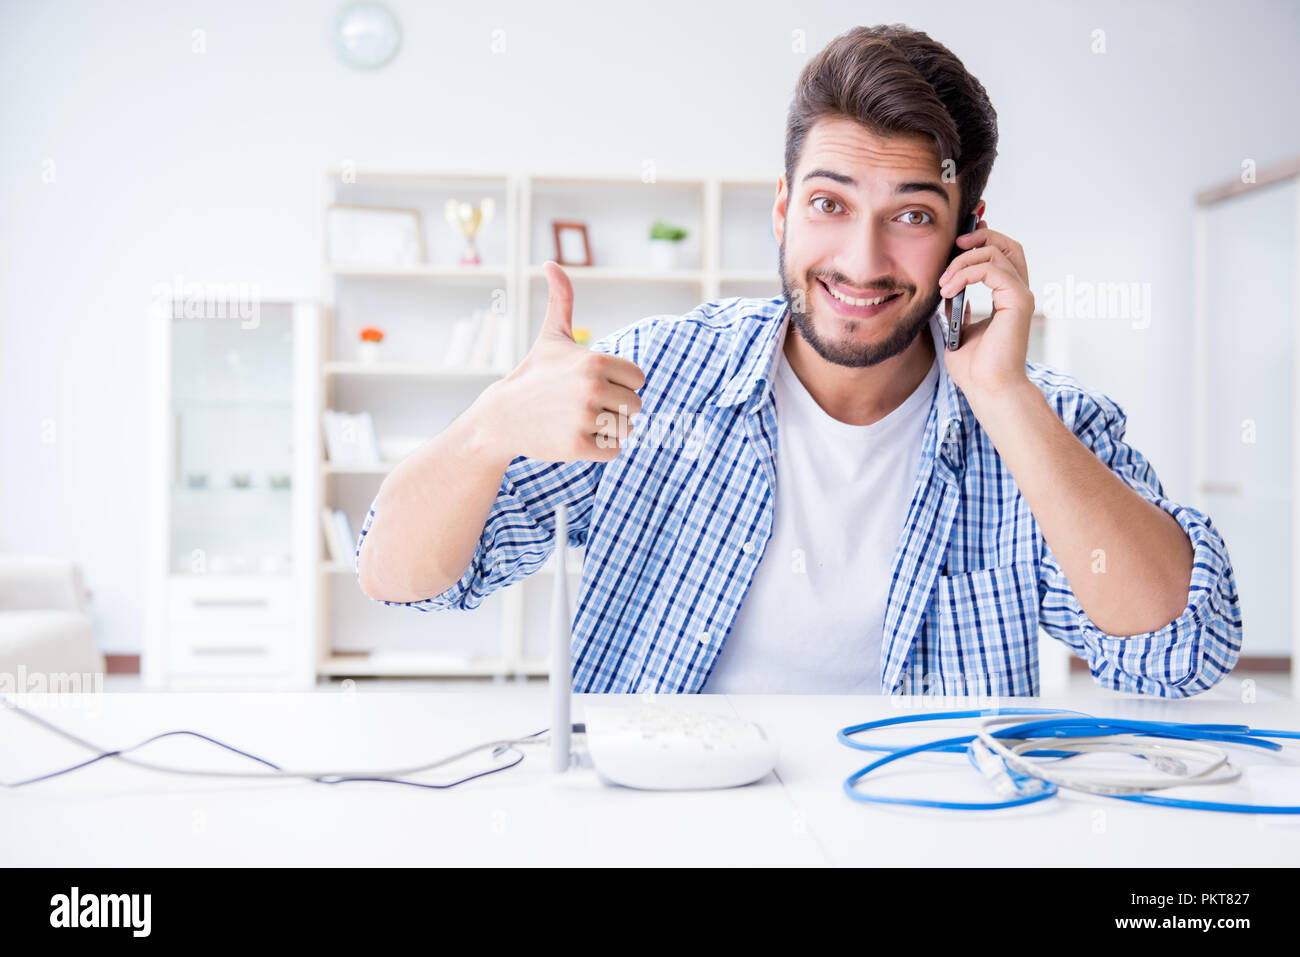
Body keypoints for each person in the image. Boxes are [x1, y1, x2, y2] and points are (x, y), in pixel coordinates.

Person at [355, 23, 1241, 696]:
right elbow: (397, 581)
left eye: (912, 215)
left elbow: (1180, 653)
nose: (861, 260)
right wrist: (485, 432)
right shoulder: (651, 382)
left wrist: (1005, 398)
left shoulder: (1042, 423)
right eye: (830, 203)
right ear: (782, 208)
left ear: (970, 233)